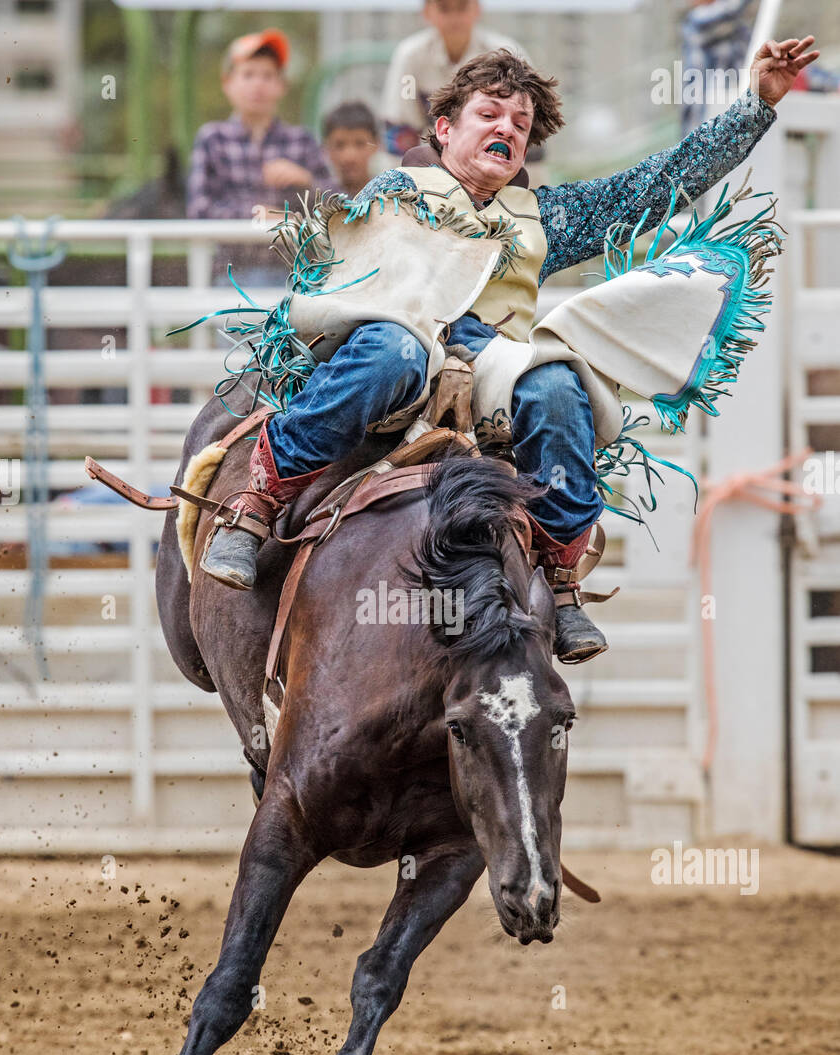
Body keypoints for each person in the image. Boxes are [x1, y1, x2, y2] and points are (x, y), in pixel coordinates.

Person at [202, 38, 818, 664]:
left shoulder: (544, 215)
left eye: (520, 124)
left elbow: (658, 183)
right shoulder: (395, 188)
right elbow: (339, 267)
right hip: (392, 336)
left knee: (554, 386)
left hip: (492, 363)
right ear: (444, 129)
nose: (507, 129)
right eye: (490, 115)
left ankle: (562, 574)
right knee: (394, 352)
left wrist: (755, 105)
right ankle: (256, 506)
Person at [187, 29, 334, 289]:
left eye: (267, 76)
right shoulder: (213, 139)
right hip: (232, 276)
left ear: (281, 86)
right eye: (248, 74)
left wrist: (306, 180)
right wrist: (259, 217)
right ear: (228, 83)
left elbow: (336, 206)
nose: (258, 84)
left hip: (298, 278)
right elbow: (198, 209)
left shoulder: (301, 140)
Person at [382, 0, 528, 158]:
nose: (454, 17)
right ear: (427, 12)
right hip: (429, 164)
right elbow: (401, 129)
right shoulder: (410, 56)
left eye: (461, 6)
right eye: (444, 8)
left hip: (494, 161)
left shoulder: (507, 55)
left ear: (477, 8)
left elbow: (526, 126)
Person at [681, 0, 770, 135]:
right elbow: (732, 6)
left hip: (725, 130)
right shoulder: (697, 23)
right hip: (703, 133)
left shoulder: (738, 33)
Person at [322, 102, 380, 199]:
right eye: (339, 145)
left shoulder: (388, 198)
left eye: (360, 144)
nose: (349, 156)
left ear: (376, 145)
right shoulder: (318, 202)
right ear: (326, 148)